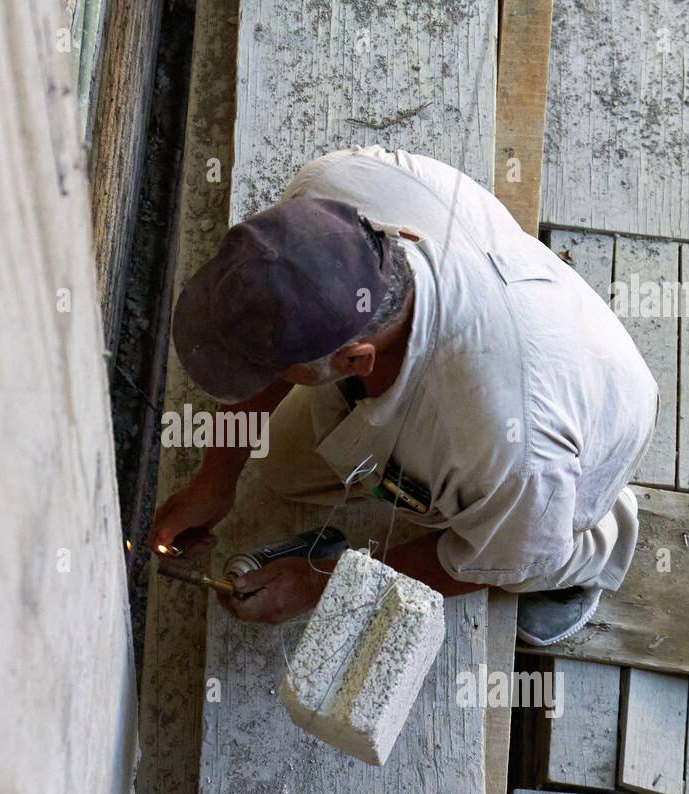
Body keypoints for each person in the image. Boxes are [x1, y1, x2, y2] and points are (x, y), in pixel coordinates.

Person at [150, 146, 658, 645]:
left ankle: (594, 546)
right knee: (282, 466)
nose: (258, 379)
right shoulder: (328, 193)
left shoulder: (507, 448)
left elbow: (482, 561)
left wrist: (318, 586)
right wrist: (213, 481)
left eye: (273, 367)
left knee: (515, 555)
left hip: (578, 430)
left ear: (354, 359)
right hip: (491, 348)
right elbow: (283, 321)